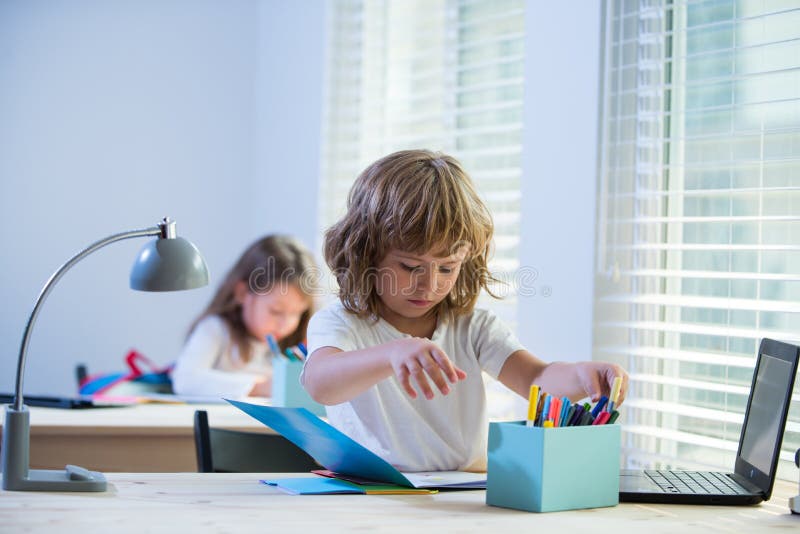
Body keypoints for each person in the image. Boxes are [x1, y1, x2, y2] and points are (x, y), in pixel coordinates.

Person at [301, 149, 629, 472]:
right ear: (366, 253)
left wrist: (582, 376)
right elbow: (320, 383)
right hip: (371, 493)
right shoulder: (341, 324)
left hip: (461, 490)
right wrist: (392, 354)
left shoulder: (472, 327)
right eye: (411, 266)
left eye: (447, 268)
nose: (429, 285)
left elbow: (535, 378)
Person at [172, 235, 316, 398]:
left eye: (297, 313)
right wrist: (258, 387)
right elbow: (185, 381)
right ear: (242, 293)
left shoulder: (296, 346)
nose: (285, 324)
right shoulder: (215, 329)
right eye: (276, 311)